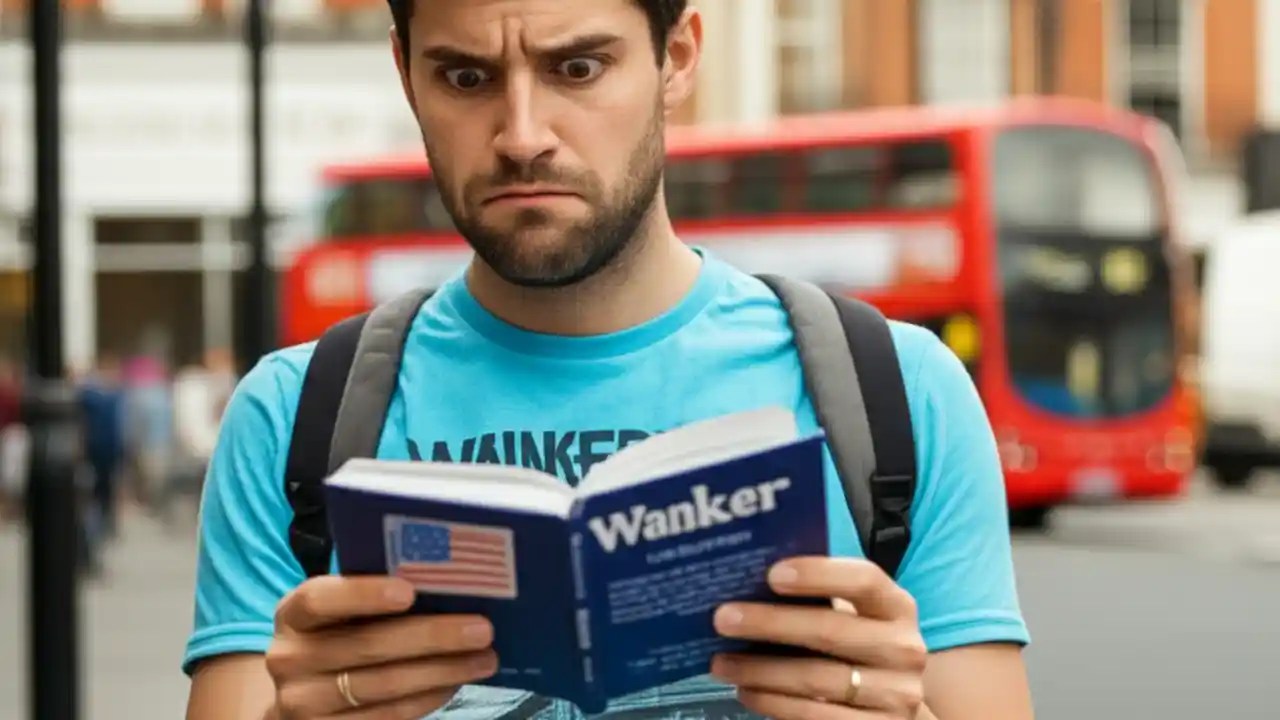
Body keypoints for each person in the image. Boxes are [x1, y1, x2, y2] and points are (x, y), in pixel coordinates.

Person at [183, 1, 1035, 718]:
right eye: (466, 78)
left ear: (678, 57)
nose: (522, 136)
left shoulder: (900, 392)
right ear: (407, 75)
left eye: (578, 69)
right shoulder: (292, 416)